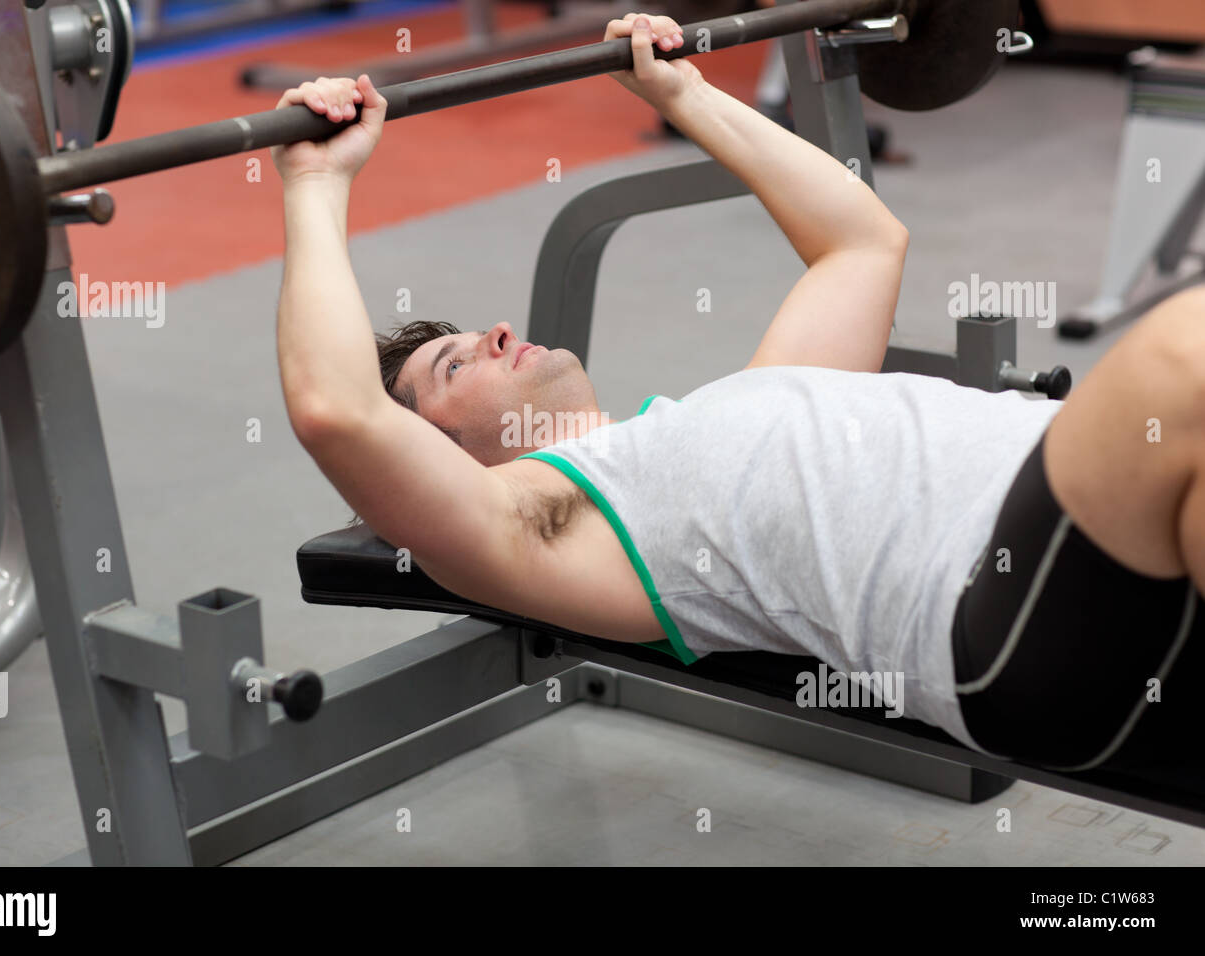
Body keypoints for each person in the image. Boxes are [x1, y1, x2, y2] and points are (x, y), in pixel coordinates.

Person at [271, 14, 1204, 771]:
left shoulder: (746, 403)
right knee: (1182, 357)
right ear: (434, 459)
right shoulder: (547, 522)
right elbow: (336, 412)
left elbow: (862, 242)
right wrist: (315, 182)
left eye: (472, 334)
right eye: (455, 366)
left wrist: (685, 94)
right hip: (996, 626)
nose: (496, 334)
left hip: (1103, 544)